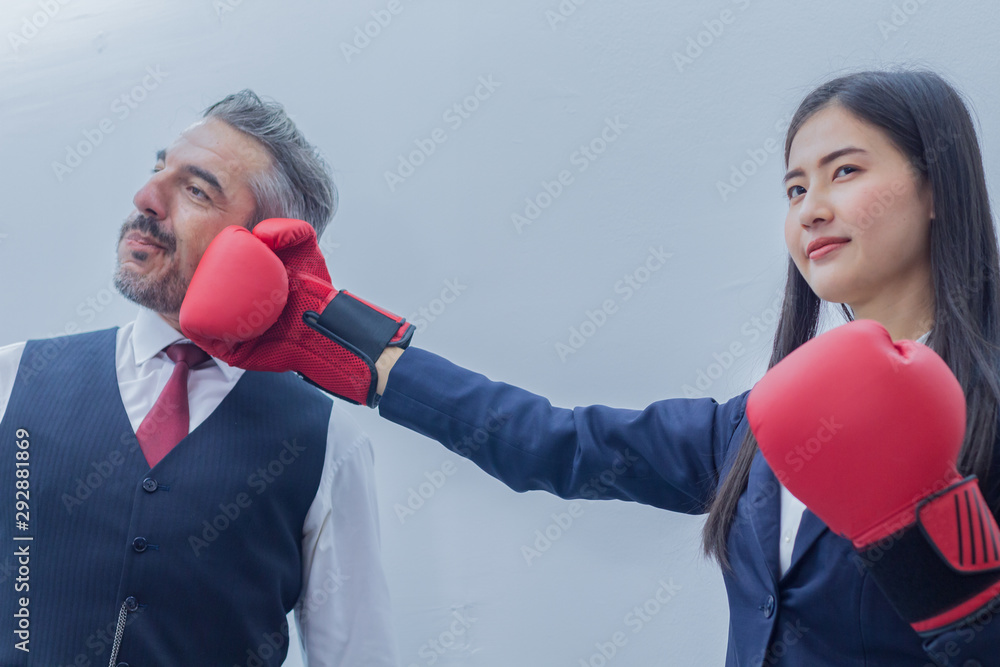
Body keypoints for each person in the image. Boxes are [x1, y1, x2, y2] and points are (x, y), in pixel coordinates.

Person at [181, 69, 1000, 665]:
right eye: (793, 188)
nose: (812, 208)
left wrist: (950, 585)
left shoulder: (988, 407)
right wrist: (336, 335)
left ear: (936, 187)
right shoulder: (762, 425)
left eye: (845, 171)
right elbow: (553, 442)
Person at [0, 90, 398, 666]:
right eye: (158, 169)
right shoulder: (12, 378)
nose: (145, 198)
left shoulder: (327, 442)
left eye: (195, 190)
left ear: (266, 248)